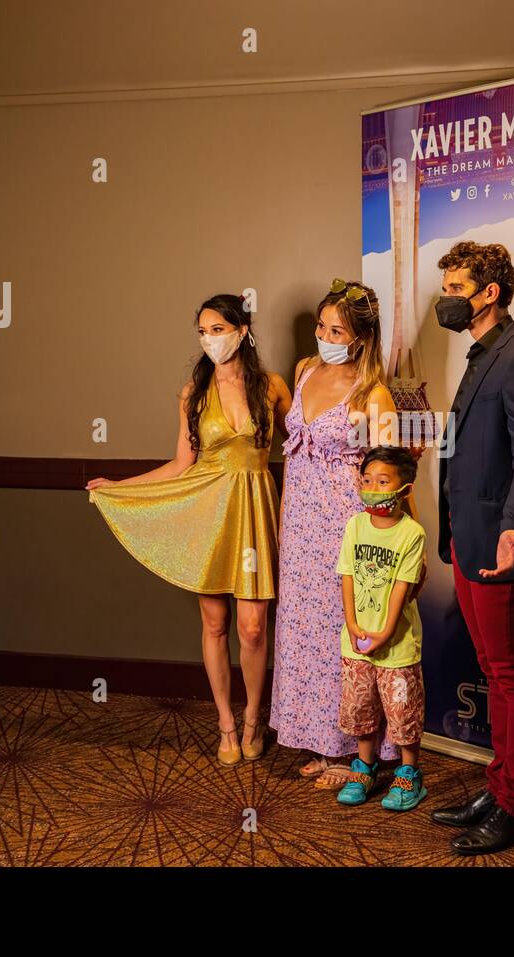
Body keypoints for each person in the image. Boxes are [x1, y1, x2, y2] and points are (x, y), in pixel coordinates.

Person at [86, 294, 292, 766]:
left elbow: (300, 446)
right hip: (209, 513)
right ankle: (225, 723)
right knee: (215, 623)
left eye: (218, 328)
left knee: (254, 627)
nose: (209, 339)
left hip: (255, 511)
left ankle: (253, 719)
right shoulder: (193, 394)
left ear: (242, 330)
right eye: (203, 331)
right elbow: (182, 463)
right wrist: (121, 486)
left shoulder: (272, 387)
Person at [427, 241, 514, 855]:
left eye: (456, 290)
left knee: (513, 672)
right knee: (493, 670)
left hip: (499, 543)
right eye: (447, 287)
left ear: (489, 294)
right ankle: (499, 785)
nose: (446, 300)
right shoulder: (482, 354)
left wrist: (512, 529)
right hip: (468, 538)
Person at [270, 279, 404, 786]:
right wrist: (284, 521)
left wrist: (399, 547)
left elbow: (390, 475)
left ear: (361, 337)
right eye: (321, 327)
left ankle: (356, 754)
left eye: (336, 330)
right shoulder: (305, 371)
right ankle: (320, 741)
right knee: (305, 634)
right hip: (300, 522)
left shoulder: (374, 393)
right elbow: (293, 456)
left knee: (345, 636)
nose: (325, 336)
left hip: (347, 525)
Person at [334, 446, 428, 811]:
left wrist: (385, 633)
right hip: (355, 642)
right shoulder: (355, 525)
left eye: (383, 481)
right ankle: (365, 767)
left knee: (403, 713)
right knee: (361, 709)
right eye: (367, 479)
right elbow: (346, 576)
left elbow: (402, 590)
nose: (372, 487)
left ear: (404, 490)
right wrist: (353, 625)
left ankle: (409, 775)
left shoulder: (412, 534)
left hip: (397, 646)